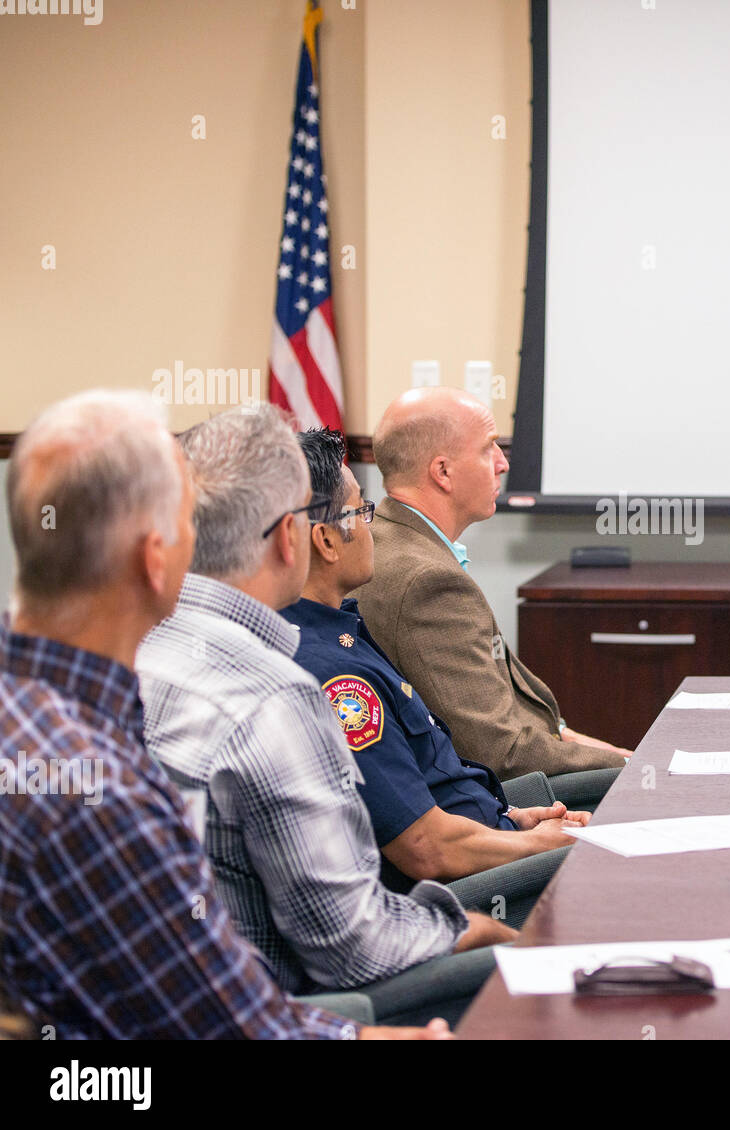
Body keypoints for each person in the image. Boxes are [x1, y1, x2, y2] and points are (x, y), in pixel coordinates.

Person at [0, 391, 444, 1038]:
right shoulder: (99, 790)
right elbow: (234, 1024)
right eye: (190, 528)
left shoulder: (55, 721)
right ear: (156, 561)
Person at [135, 404, 514, 1000]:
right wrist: (483, 932)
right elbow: (352, 947)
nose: (368, 525)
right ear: (296, 539)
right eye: (360, 510)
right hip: (296, 1010)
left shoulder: (145, 648)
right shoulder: (273, 696)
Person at [282, 427, 587, 899]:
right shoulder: (334, 675)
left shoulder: (339, 629)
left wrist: (512, 819)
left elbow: (435, 788)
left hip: (488, 835)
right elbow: (425, 848)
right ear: (325, 541)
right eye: (362, 510)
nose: (372, 528)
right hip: (467, 892)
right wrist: (532, 844)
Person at [355, 387, 632, 778]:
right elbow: (502, 754)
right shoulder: (426, 581)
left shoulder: (392, 540)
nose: (503, 463)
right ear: (443, 472)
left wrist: (613, 755)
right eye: (489, 449)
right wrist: (631, 765)